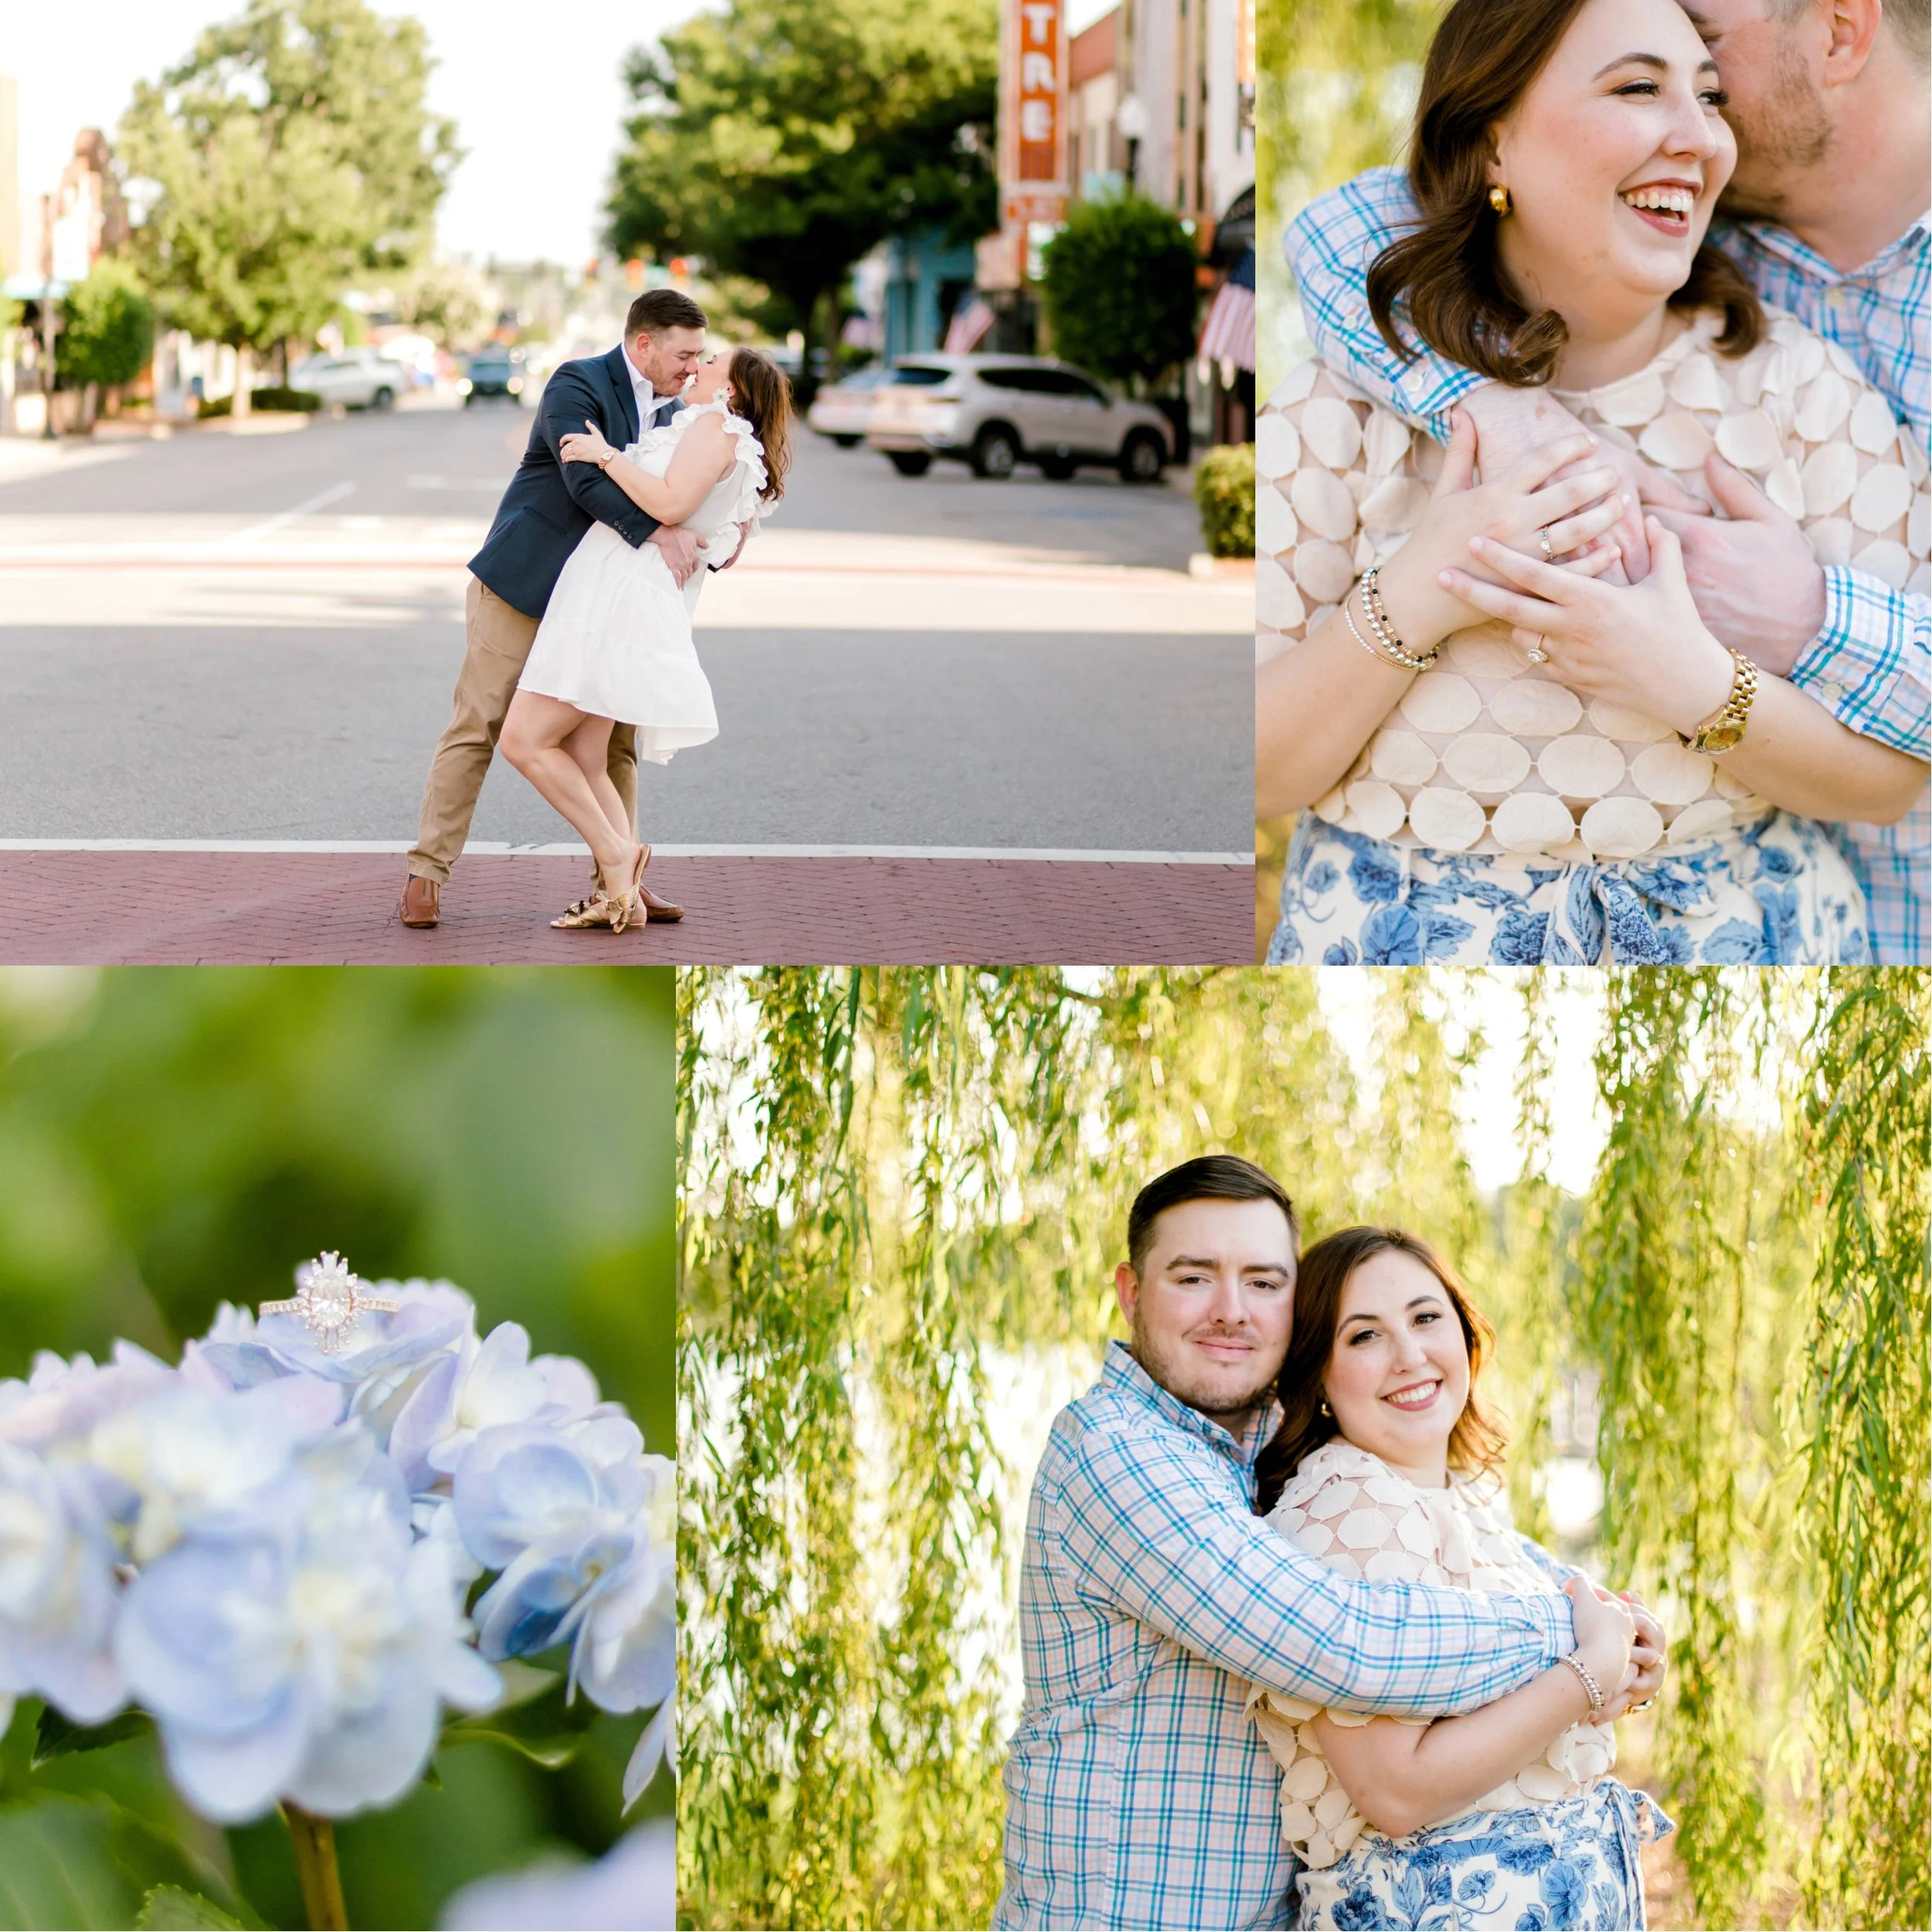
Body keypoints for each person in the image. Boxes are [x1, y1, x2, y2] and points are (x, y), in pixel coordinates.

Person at [1275, 0, 1930, 964]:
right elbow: (1342, 224)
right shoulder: (1359, 385)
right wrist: (1481, 437)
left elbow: (1889, 771)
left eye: (1706, 71)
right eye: (1641, 85)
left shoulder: (1793, 380)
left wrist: (1792, 621)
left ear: (1839, 32)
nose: (1700, 135)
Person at [993, 1155, 1665, 1931]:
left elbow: (1477, 1571)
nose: (1230, 1309)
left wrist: (1613, 1619)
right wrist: (1579, 1649)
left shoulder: (1250, 1459)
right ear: (1129, 1292)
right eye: (1191, 1277)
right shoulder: (1118, 1455)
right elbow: (1348, 1642)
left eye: (1263, 1280)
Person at [1246, 1228, 1669, 1929]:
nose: (1409, 1356)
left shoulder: (1458, 1500)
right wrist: (1588, 1674)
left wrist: (1631, 1655)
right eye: (1363, 1337)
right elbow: (1397, 1792)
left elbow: (1533, 1675)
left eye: (1424, 1317)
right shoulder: (1350, 1505)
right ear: (1317, 1374)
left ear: (1464, 1334)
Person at [397, 288, 715, 930]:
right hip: (527, 584)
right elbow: (585, 480)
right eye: (684, 355)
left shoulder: (681, 411)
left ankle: (619, 879)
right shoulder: (578, 382)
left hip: (605, 602)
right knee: (479, 724)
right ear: (643, 344)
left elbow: (681, 491)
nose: (692, 368)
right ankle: (426, 876)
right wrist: (661, 532)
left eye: (701, 357)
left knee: (616, 742)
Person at [499, 345, 791, 931]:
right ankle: (621, 899)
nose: (697, 366)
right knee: (585, 754)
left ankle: (616, 856)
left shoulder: (716, 427)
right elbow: (722, 542)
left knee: (524, 741)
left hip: (617, 591)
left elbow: (669, 503)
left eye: (710, 363)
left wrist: (605, 454)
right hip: (619, 586)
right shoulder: (728, 438)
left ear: (730, 391)